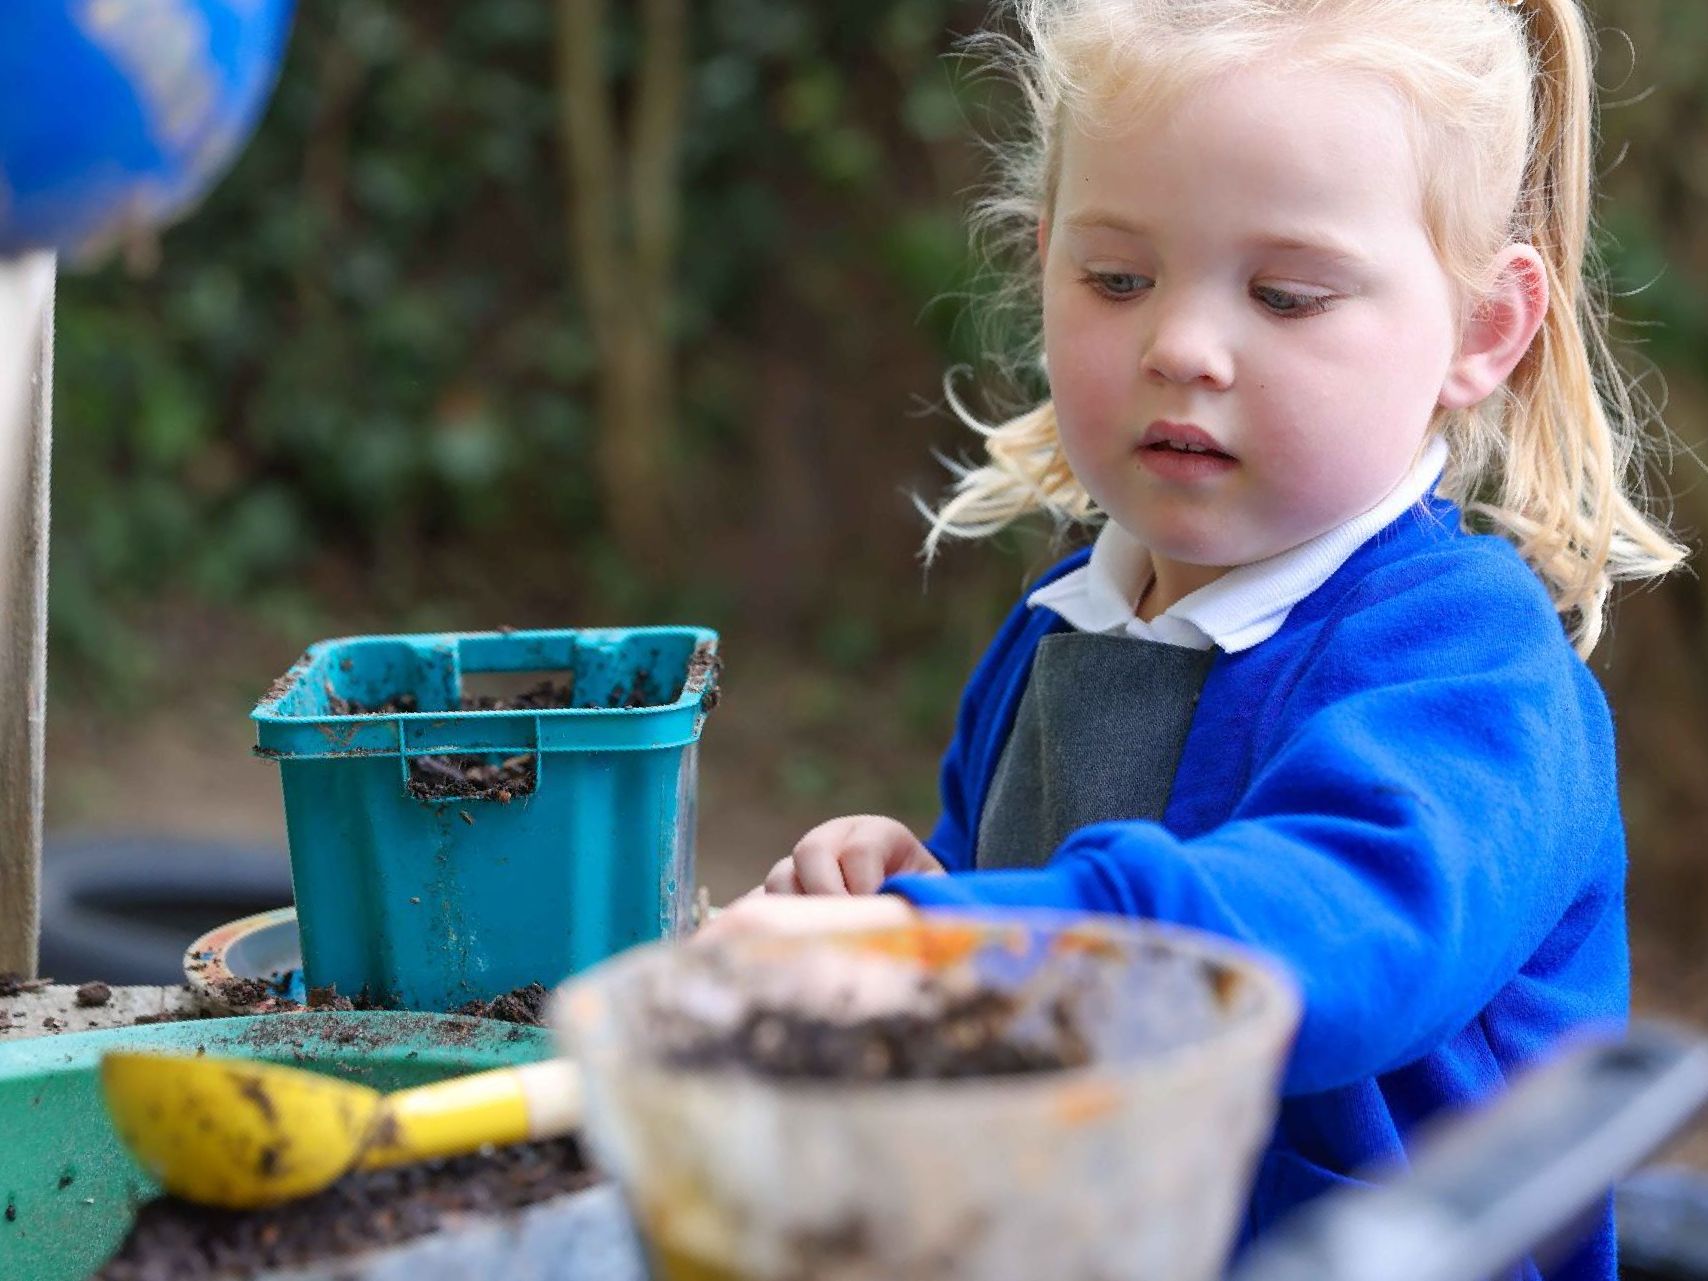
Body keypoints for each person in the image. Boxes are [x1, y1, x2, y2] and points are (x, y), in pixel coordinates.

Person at [707, 0, 1686, 1275]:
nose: (1180, 347)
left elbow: (1327, 937)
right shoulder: (1066, 623)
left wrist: (932, 954)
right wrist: (912, 887)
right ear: (1042, 255)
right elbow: (1029, 936)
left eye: (1285, 295)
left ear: (1482, 330)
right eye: (1117, 278)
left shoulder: (1474, 667)